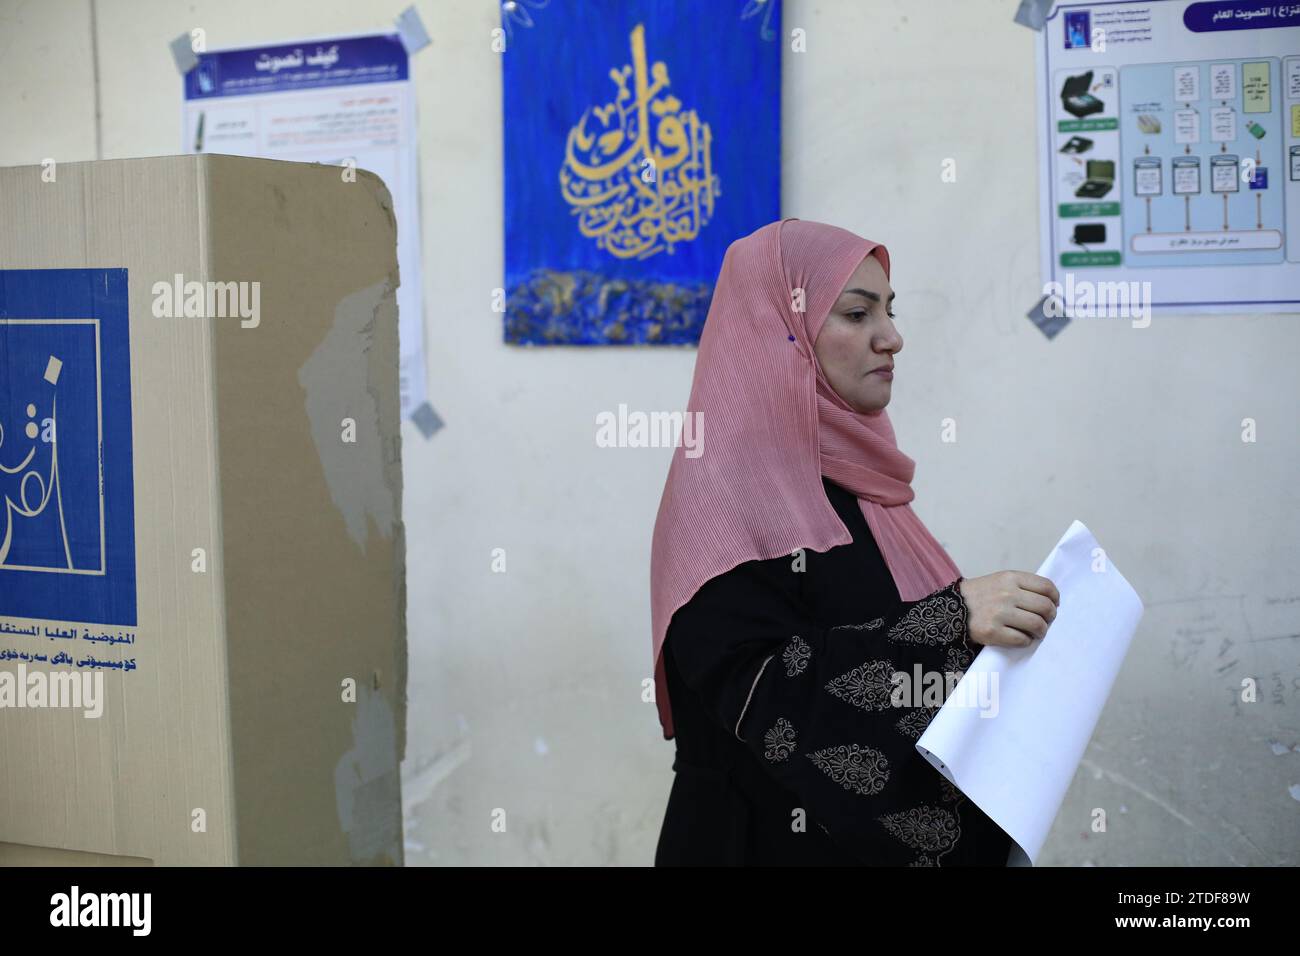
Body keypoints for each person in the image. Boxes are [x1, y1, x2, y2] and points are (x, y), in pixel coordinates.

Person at [648, 218, 1060, 866]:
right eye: (857, 313)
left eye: (889, 311)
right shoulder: (724, 499)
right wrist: (952, 618)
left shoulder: (865, 489)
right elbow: (766, 697)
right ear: (782, 334)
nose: (892, 337)